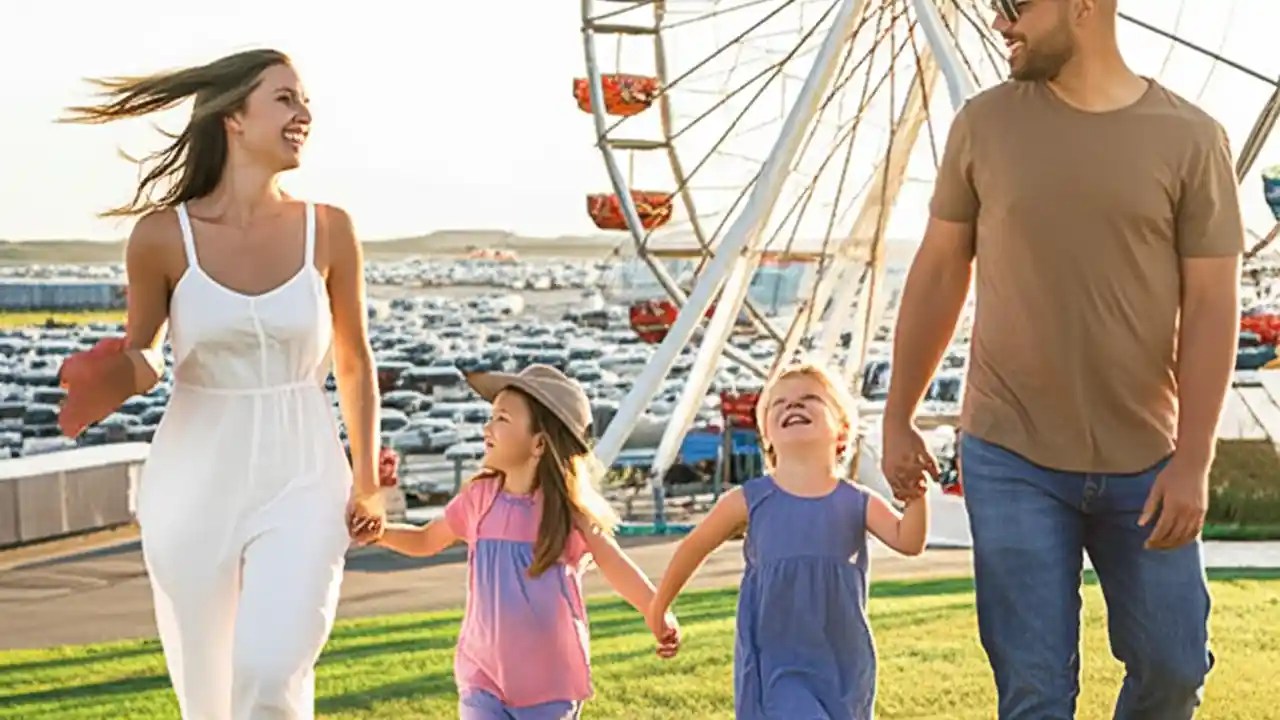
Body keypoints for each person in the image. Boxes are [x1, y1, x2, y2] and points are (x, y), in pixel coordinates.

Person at [881, 1, 1242, 718]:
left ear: (1083, 6)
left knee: (1173, 669)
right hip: (1009, 454)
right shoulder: (982, 125)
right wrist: (898, 415)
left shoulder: (1194, 139)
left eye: (1015, 6)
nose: (999, 23)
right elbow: (939, 270)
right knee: (1035, 692)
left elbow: (1211, 306)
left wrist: (1194, 458)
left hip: (1148, 460)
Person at [56, 49, 386, 718]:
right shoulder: (160, 237)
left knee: (269, 672)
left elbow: (354, 360)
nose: (305, 115)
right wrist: (109, 381)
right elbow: (145, 352)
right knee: (209, 694)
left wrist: (367, 479)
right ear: (233, 116)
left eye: (305, 101)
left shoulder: (330, 230)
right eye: (286, 99)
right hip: (193, 480)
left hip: (303, 476)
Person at [370, 364, 680, 719]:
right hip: (482, 677)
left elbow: (615, 564)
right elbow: (425, 540)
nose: (487, 428)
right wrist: (377, 531)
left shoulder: (566, 512)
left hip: (549, 684)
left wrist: (658, 613)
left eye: (501, 418)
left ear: (539, 443)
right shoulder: (479, 499)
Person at [649, 362, 929, 719]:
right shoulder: (749, 500)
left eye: (809, 399)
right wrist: (660, 608)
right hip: (777, 660)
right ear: (765, 434)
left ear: (842, 430)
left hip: (843, 662)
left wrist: (916, 496)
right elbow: (694, 547)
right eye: (778, 404)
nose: (792, 406)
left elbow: (909, 541)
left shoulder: (857, 501)